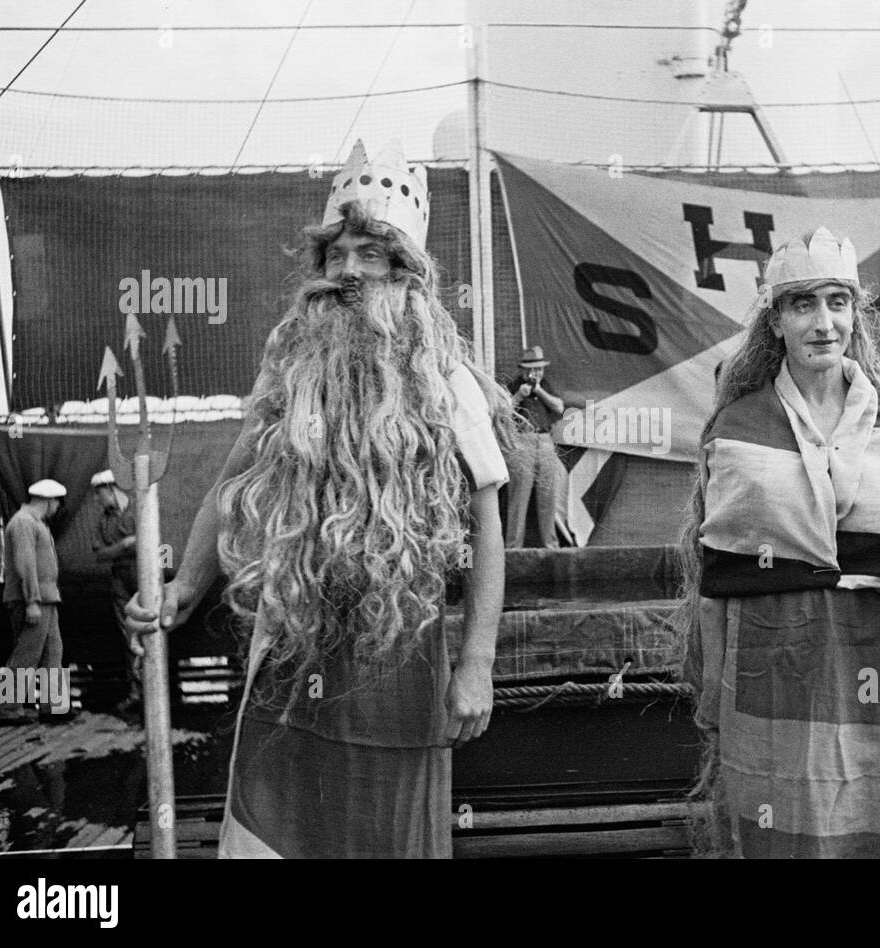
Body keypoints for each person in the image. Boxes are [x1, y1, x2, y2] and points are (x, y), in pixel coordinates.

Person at [124, 139, 515, 858]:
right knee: (277, 834)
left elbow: (488, 524)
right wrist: (183, 587)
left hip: (400, 662)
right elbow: (230, 486)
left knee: (386, 839)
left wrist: (477, 662)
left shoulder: (446, 382)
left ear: (406, 272)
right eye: (335, 254)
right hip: (291, 647)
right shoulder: (291, 372)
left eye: (369, 253)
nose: (346, 271)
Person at [680, 227, 880, 859]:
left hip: (879, 663)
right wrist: (715, 695)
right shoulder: (740, 425)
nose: (823, 322)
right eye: (803, 304)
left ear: (854, 313)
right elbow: (719, 577)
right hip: (774, 661)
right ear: (775, 321)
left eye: (836, 302)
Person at [0, 479, 67, 724]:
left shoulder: (33, 523)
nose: (57, 507)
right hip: (35, 598)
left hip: (46, 597)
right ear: (48, 501)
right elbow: (25, 564)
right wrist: (32, 601)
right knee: (27, 654)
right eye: (56, 502)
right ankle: (6, 708)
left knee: (52, 652)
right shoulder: (24, 523)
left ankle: (52, 706)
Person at [90, 469, 143, 716]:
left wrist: (158, 569)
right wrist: (124, 545)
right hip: (120, 577)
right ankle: (135, 693)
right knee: (127, 634)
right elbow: (100, 555)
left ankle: (156, 689)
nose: (98, 500)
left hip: (145, 574)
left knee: (150, 630)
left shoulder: (140, 509)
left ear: (112, 489)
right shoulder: (104, 520)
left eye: (100, 494)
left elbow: (159, 545)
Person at [505, 345, 565, 549]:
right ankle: (513, 549)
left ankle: (552, 548)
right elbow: (501, 412)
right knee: (518, 500)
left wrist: (539, 390)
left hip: (545, 441)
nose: (536, 373)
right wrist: (519, 396)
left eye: (539, 369)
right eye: (532, 369)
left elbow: (559, 407)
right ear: (523, 370)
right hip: (522, 441)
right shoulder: (514, 385)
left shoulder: (544, 384)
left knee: (548, 497)